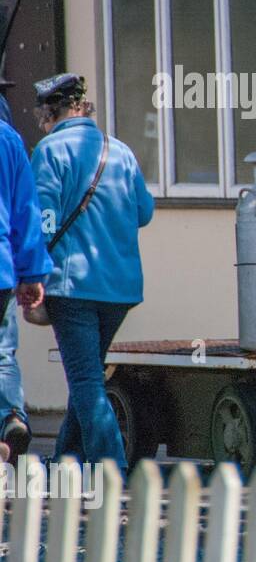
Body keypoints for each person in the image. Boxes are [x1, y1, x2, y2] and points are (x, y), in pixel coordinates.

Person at [30, 74, 154, 470]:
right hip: (120, 288)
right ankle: (66, 459)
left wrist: (32, 275)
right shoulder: (120, 151)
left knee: (85, 380)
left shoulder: (49, 150)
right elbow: (144, 212)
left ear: (50, 112)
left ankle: (110, 469)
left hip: (72, 286)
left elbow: (43, 220)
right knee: (87, 377)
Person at [0, 89, 51, 464]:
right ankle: (10, 416)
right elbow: (26, 213)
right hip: (1, 268)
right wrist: (32, 273)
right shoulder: (10, 140)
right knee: (2, 353)